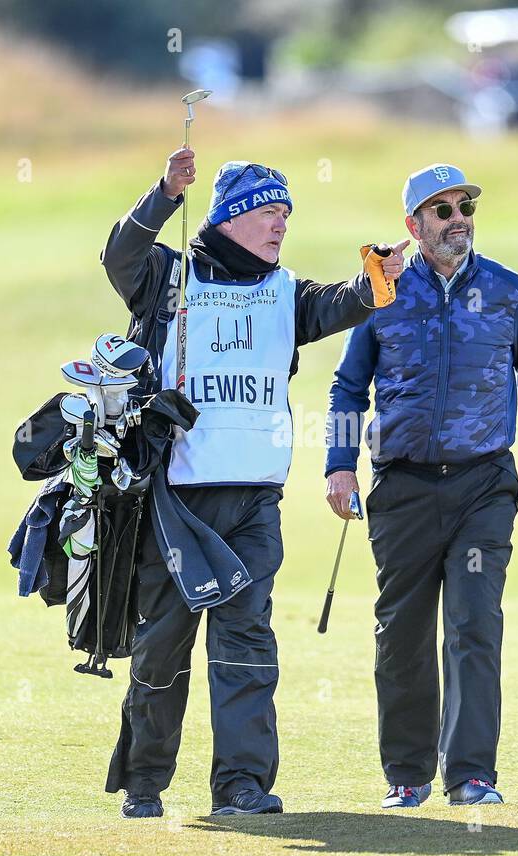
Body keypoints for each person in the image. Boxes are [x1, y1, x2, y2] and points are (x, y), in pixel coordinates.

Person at [101, 146, 406, 818]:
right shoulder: (168, 278)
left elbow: (343, 303)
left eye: (286, 215)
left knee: (246, 646)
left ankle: (241, 786)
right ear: (231, 219)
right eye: (268, 212)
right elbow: (118, 256)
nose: (280, 225)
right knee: (163, 644)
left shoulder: (285, 292)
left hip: (255, 501)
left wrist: (378, 277)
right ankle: (145, 783)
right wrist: (163, 195)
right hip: (175, 498)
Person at [324, 163, 518, 809]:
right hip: (401, 488)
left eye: (465, 209)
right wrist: (339, 464)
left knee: (474, 623)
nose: (458, 220)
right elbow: (348, 387)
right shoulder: (383, 293)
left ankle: (472, 776)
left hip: (484, 485)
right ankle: (407, 775)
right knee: (401, 631)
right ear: (414, 226)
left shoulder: (510, 290)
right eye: (442, 211)